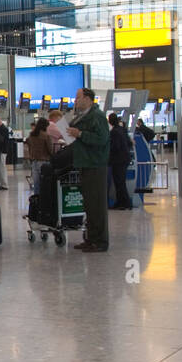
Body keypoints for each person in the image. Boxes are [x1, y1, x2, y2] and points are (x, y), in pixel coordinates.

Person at [68, 88, 111, 252]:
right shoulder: (82, 116)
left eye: (78, 98)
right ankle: (91, 238)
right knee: (89, 205)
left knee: (97, 205)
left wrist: (80, 134)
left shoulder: (97, 116)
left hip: (95, 164)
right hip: (85, 163)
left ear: (87, 99)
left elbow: (102, 139)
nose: (75, 101)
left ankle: (100, 241)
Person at [108, 113, 134, 211]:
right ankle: (123, 202)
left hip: (118, 160)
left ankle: (124, 203)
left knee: (119, 182)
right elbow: (129, 142)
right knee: (121, 182)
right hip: (125, 159)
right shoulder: (122, 129)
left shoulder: (114, 132)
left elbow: (115, 147)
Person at [24, 118, 53, 196]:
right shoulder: (46, 136)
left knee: (36, 183)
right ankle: (44, 200)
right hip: (44, 161)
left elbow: (29, 146)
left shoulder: (31, 135)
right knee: (44, 182)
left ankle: (37, 200)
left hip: (34, 161)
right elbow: (50, 150)